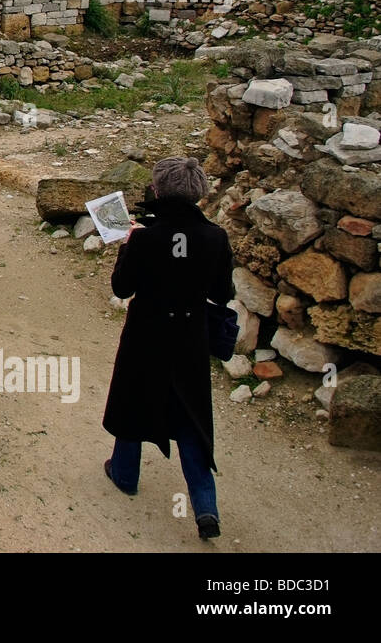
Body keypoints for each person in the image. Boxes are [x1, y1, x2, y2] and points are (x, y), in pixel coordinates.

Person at [102, 156, 234, 541]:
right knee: (192, 417)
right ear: (199, 194)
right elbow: (222, 293)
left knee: (133, 397)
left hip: (146, 331)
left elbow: (121, 288)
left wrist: (128, 246)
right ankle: (205, 506)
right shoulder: (216, 238)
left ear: (157, 190)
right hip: (190, 335)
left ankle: (125, 473)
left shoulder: (145, 237)